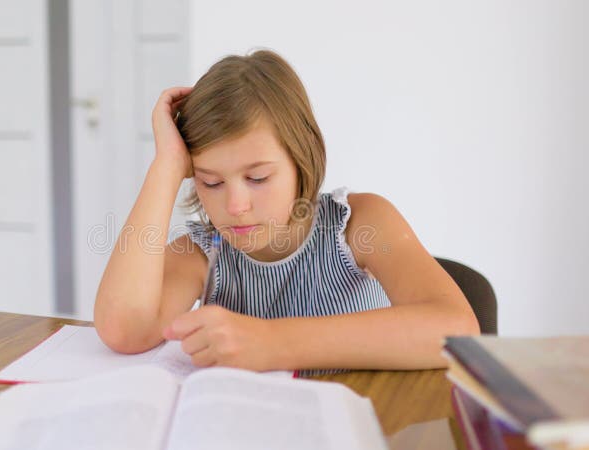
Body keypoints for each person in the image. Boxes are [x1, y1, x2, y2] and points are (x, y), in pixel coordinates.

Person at [94, 49, 479, 374]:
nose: (236, 206)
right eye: (210, 182)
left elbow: (457, 331)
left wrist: (273, 343)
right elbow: (123, 330)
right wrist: (166, 166)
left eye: (258, 177)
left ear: (300, 159)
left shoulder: (360, 224)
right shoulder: (202, 251)